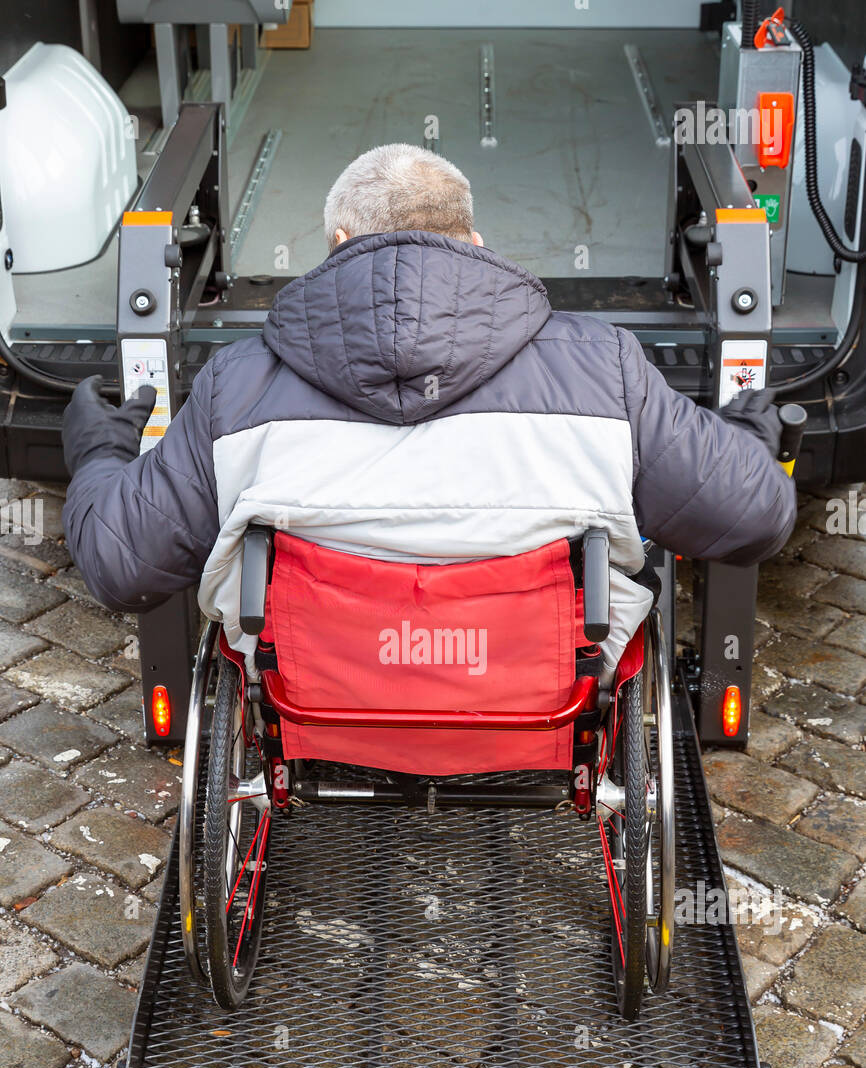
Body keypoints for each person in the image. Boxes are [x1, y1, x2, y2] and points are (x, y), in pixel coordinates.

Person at [62, 142, 795, 675]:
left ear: (340, 245)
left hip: (318, 695)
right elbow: (754, 516)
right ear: (474, 243)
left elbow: (122, 567)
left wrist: (99, 449)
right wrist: (747, 435)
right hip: (537, 690)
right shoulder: (602, 366)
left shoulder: (236, 386)